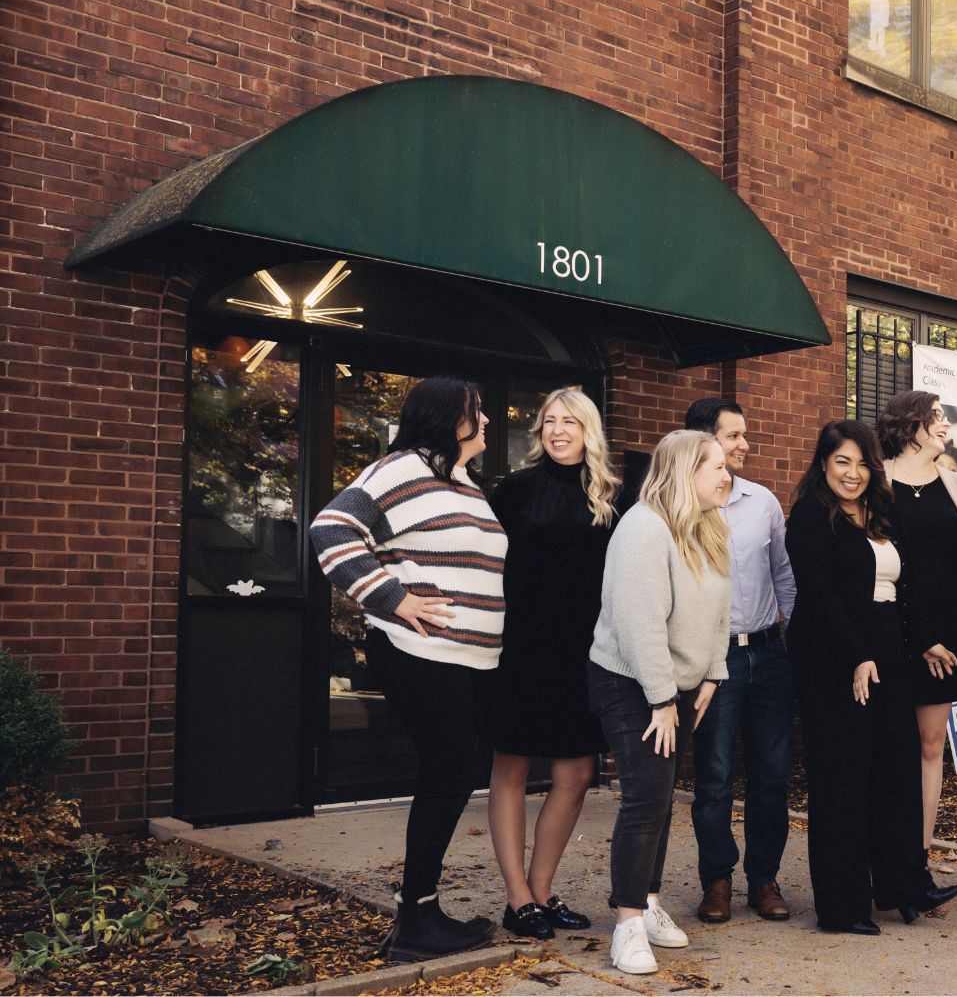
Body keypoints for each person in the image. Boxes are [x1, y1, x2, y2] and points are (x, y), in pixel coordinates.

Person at [311, 376, 503, 963]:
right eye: (479, 411)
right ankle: (417, 917)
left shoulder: (462, 483)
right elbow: (332, 529)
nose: (489, 421)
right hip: (420, 653)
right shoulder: (400, 468)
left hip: (461, 658)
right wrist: (393, 598)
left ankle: (420, 911)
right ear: (450, 418)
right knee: (451, 768)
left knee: (453, 770)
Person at [585, 430, 734, 976]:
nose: (727, 475)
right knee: (646, 798)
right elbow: (638, 621)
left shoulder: (712, 527)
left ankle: (646, 904)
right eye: (715, 466)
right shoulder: (644, 528)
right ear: (683, 472)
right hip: (632, 684)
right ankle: (626, 925)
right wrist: (662, 699)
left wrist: (713, 677)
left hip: (683, 688)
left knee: (662, 795)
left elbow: (723, 612)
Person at [785, 420, 927, 934]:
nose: (853, 472)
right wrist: (857, 656)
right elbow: (820, 596)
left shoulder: (880, 513)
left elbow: (899, 585)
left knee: (893, 766)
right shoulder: (808, 516)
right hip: (832, 656)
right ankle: (841, 908)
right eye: (841, 461)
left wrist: (915, 642)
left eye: (862, 462)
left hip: (885, 648)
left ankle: (898, 886)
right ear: (823, 463)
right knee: (842, 778)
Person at [488, 387, 619, 941]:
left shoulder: (613, 494)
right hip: (520, 647)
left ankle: (542, 891)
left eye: (570, 421)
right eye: (549, 421)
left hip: (585, 652)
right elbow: (487, 566)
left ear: (590, 429)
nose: (558, 430)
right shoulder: (515, 490)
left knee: (576, 772)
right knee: (512, 766)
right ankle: (517, 898)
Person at [684, 398, 796, 925]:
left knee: (772, 776)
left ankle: (764, 879)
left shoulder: (764, 502)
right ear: (706, 441)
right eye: (734, 436)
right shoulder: (681, 504)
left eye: (744, 435)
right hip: (713, 660)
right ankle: (718, 881)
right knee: (714, 776)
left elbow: (783, 575)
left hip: (768, 654)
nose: (745, 445)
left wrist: (794, 639)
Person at [878, 391, 957, 908]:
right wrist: (919, 638)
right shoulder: (878, 483)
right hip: (897, 634)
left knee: (932, 744)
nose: (944, 424)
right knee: (892, 750)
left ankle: (917, 867)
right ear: (909, 424)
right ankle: (887, 867)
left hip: (948, 634)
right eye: (935, 415)